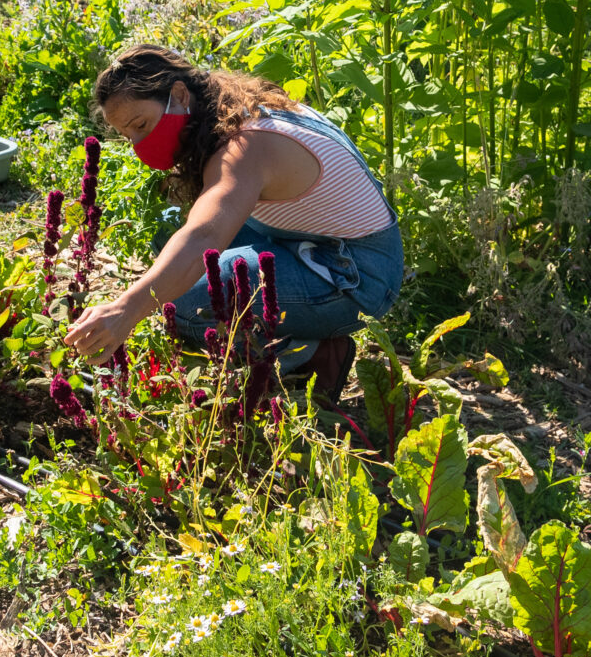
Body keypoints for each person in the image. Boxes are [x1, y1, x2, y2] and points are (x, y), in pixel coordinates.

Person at [63, 45, 405, 402]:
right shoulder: (231, 107)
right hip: (317, 243)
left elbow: (204, 236)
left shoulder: (244, 145)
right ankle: (289, 338)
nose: (140, 145)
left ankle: (310, 354)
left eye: (141, 125)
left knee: (184, 305)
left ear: (179, 95)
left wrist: (124, 310)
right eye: (128, 136)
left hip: (357, 276)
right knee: (169, 245)